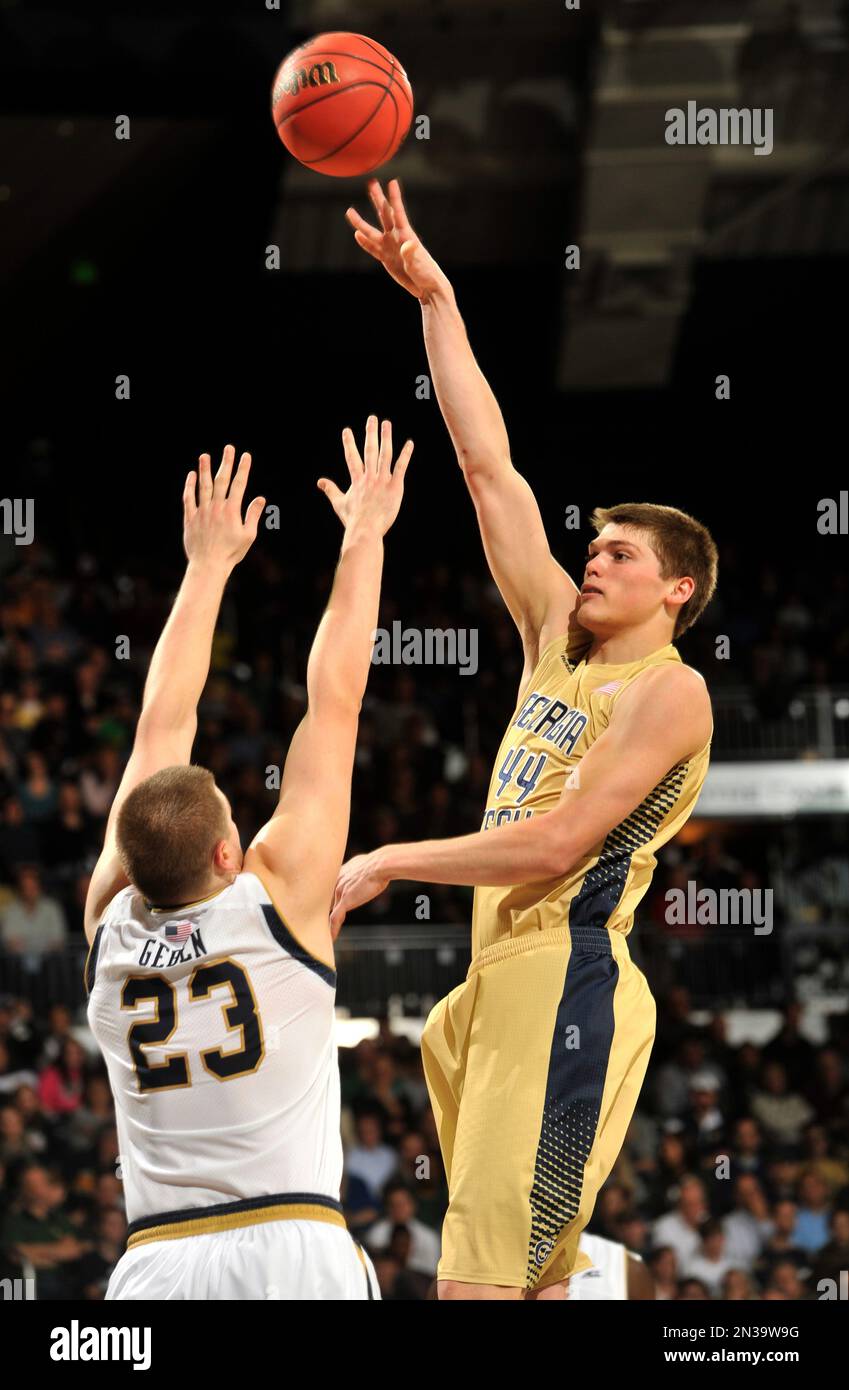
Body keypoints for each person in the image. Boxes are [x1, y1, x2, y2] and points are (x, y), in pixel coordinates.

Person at [333, 177, 717, 1300]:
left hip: (569, 978)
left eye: (620, 556)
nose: (592, 561)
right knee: (536, 1280)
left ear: (676, 588)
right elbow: (487, 467)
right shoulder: (556, 637)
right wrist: (437, 300)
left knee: (477, 1285)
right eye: (591, 548)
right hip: (490, 983)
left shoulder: (672, 690)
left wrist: (391, 858)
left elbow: (557, 847)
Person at [83, 424, 412, 1300]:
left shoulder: (109, 923)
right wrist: (365, 536)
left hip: (153, 1264)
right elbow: (334, 701)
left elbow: (160, 723)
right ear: (231, 850)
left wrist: (204, 568)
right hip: (290, 1245)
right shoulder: (278, 897)